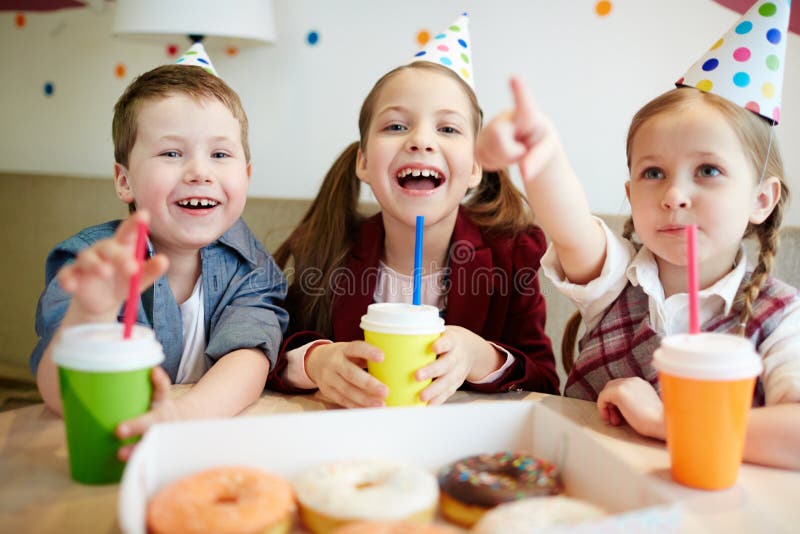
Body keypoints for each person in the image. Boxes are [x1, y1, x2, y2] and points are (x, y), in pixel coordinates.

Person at [475, 1, 800, 469]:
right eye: (653, 173)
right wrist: (539, 151)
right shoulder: (613, 281)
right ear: (630, 193)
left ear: (762, 199)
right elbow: (569, 224)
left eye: (707, 170)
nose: (674, 194)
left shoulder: (779, 318)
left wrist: (667, 420)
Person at [267, 15, 558, 407]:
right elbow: (270, 349)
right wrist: (316, 360)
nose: (421, 140)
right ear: (364, 162)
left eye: (448, 129)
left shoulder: (513, 254)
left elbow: (545, 386)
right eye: (396, 126)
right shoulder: (327, 245)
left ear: (475, 167)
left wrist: (481, 356)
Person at [30, 44, 288, 460]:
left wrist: (184, 417)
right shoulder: (92, 263)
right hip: (110, 445)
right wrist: (89, 315)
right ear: (124, 180)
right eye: (172, 153)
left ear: (247, 175)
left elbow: (249, 357)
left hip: (210, 439)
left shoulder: (253, 267)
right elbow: (58, 393)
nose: (200, 172)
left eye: (220, 154)